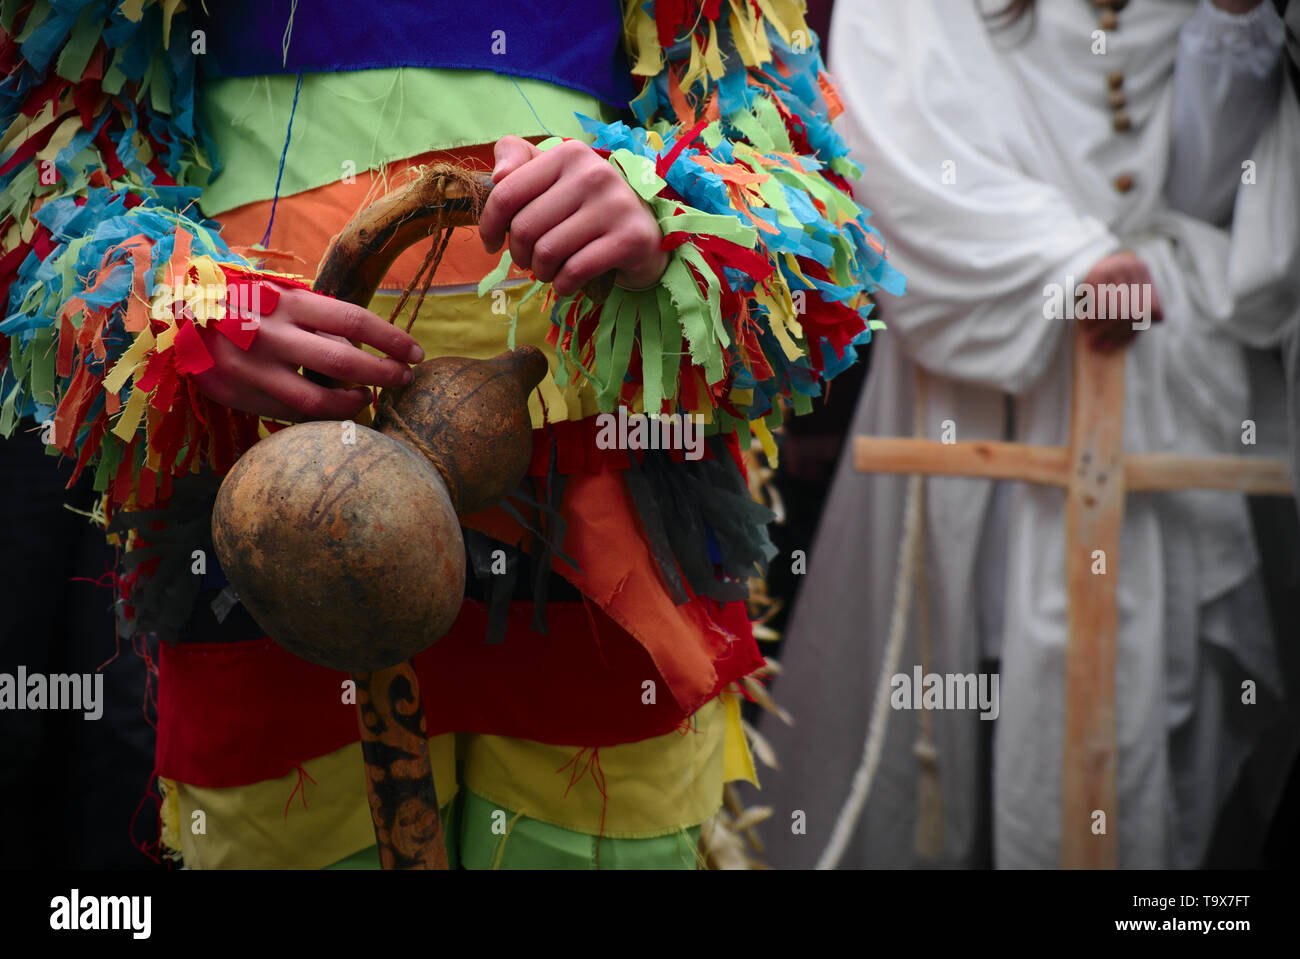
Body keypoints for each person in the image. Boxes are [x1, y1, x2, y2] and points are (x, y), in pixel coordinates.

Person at [0, 0, 900, 868]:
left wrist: (669, 209)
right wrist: (177, 307)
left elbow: (817, 224)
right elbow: (44, 181)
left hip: (600, 526)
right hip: (271, 520)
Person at [758, 0, 1300, 869]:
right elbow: (896, 144)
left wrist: (1232, 16)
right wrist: (1067, 267)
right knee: (965, 703)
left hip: (1163, 384)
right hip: (981, 385)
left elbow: (1214, 185)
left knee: (1144, 727)